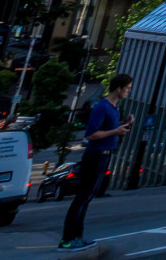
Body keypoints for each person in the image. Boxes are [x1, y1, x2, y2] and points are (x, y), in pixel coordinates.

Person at [59, 73, 133, 251]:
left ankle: (77, 236)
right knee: (82, 197)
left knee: (88, 197)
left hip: (105, 155)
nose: (128, 92)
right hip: (95, 155)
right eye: (127, 89)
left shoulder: (114, 108)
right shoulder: (102, 107)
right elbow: (91, 134)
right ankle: (67, 240)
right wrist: (116, 132)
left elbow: (109, 128)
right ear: (118, 88)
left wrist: (124, 124)